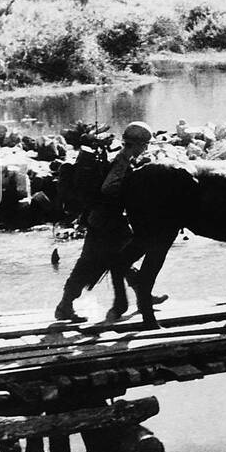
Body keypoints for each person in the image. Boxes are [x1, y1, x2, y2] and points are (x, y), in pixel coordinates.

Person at [54, 121, 165, 322]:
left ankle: (143, 297)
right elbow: (108, 188)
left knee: (122, 260)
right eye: (144, 144)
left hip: (111, 221)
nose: (145, 148)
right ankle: (64, 306)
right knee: (88, 264)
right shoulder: (122, 161)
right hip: (105, 221)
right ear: (137, 144)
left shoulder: (124, 159)